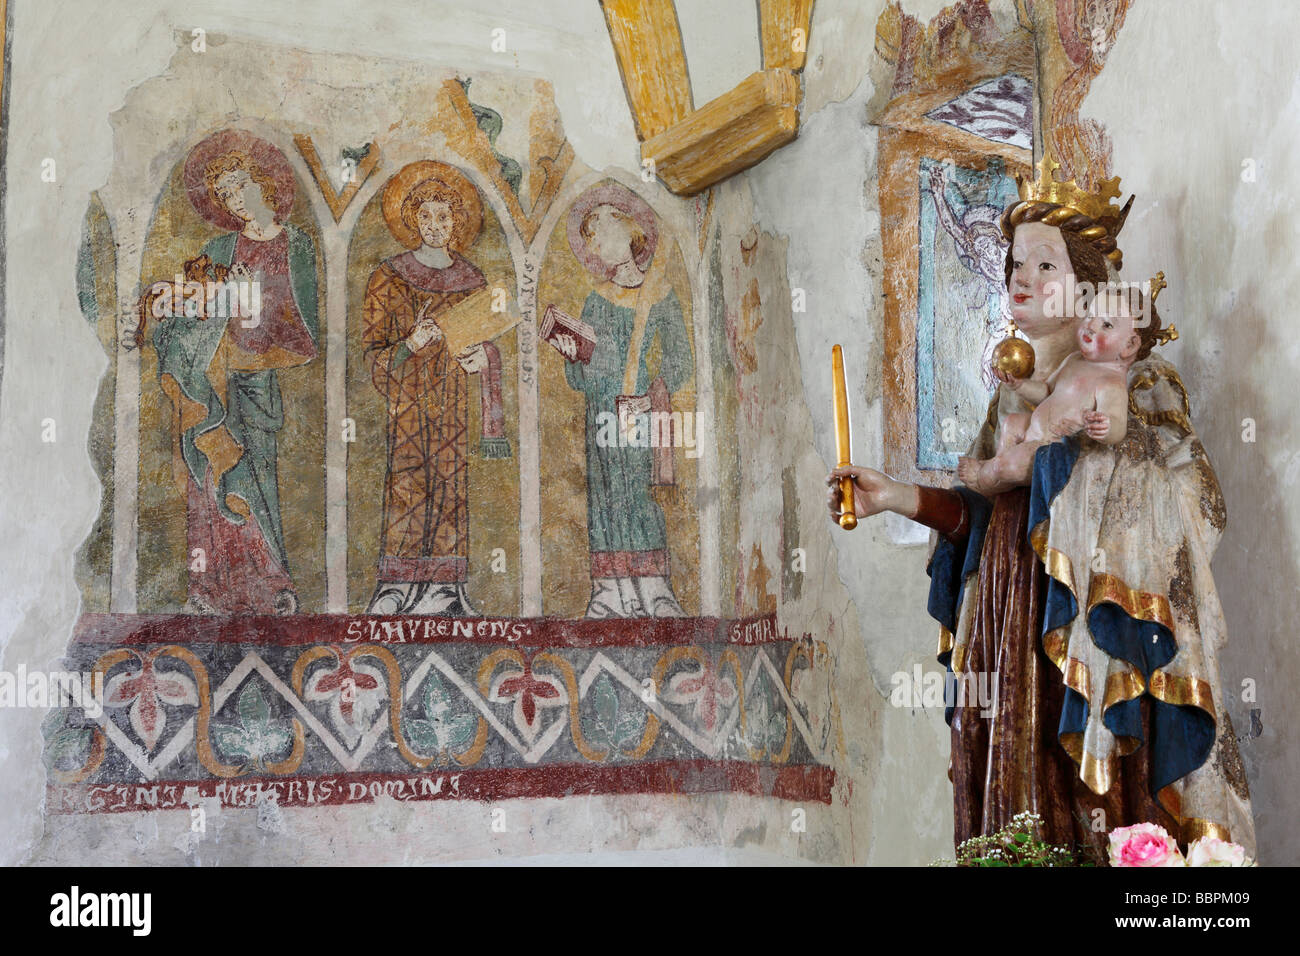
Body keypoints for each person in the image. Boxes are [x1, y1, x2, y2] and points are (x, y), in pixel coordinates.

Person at [826, 157, 1255, 859]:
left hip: (1094, 626)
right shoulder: (1009, 403)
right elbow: (983, 518)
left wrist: (1051, 463)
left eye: (1044, 265)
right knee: (1017, 799)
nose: (1020, 278)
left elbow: (1192, 501)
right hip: (1009, 613)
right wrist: (898, 497)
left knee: (1091, 808)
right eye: (1015, 263)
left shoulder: (1136, 382)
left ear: (1088, 289)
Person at [156, 130, 318, 614]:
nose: (233, 198)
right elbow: (196, 313)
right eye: (224, 193)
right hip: (213, 384)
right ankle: (209, 590)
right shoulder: (219, 247)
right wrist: (166, 316)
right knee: (208, 481)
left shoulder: (297, 245)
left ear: (263, 183)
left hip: (256, 385)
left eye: (239, 184)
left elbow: (305, 331)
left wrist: (257, 308)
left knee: (256, 481)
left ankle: (272, 587)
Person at [363, 160, 503, 616]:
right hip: (406, 402)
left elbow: (487, 343)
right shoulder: (388, 276)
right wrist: (409, 345)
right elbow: (373, 354)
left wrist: (485, 361)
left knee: (449, 485)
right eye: (426, 216)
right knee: (407, 483)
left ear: (457, 223)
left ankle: (444, 589)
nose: (436, 225)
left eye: (445, 217)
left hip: (453, 403)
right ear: (412, 220)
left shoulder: (472, 281)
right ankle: (396, 587)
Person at [548, 183, 693, 618]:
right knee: (606, 498)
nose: (596, 245)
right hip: (602, 414)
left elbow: (681, 358)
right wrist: (573, 356)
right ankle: (611, 590)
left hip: (642, 413)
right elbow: (581, 375)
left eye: (603, 234)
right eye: (591, 239)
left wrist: (651, 400)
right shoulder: (596, 299)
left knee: (641, 495)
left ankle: (654, 589)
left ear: (628, 233)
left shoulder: (660, 294)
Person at [956, 284, 1145, 496]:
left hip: (1049, 449)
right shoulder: (1074, 360)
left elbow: (1118, 424)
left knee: (1007, 464)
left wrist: (1106, 427)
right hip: (1034, 432)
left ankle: (986, 478)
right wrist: (1020, 386)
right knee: (1012, 422)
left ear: (1130, 345)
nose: (1091, 326)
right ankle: (1001, 473)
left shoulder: (1110, 383)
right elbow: (1046, 392)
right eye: (1091, 315)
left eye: (1107, 325)